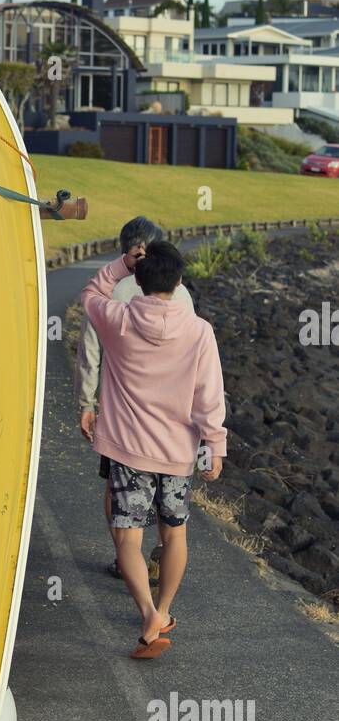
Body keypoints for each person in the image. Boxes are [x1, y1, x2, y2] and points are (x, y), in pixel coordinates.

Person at [79, 240, 226, 659]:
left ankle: (147, 612)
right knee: (175, 533)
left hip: (128, 451)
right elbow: (209, 395)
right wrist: (215, 444)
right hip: (177, 453)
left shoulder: (118, 320)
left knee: (128, 537)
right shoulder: (199, 331)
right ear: (179, 281)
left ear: (140, 281)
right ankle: (164, 609)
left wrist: (122, 265)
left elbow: (91, 292)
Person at [75, 216, 194, 580]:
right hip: (173, 420)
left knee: (119, 489)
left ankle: (127, 558)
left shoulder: (110, 294)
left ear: (123, 249)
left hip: (122, 414)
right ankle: (160, 557)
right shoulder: (182, 294)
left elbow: (90, 351)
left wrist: (87, 403)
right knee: (168, 503)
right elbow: (192, 353)